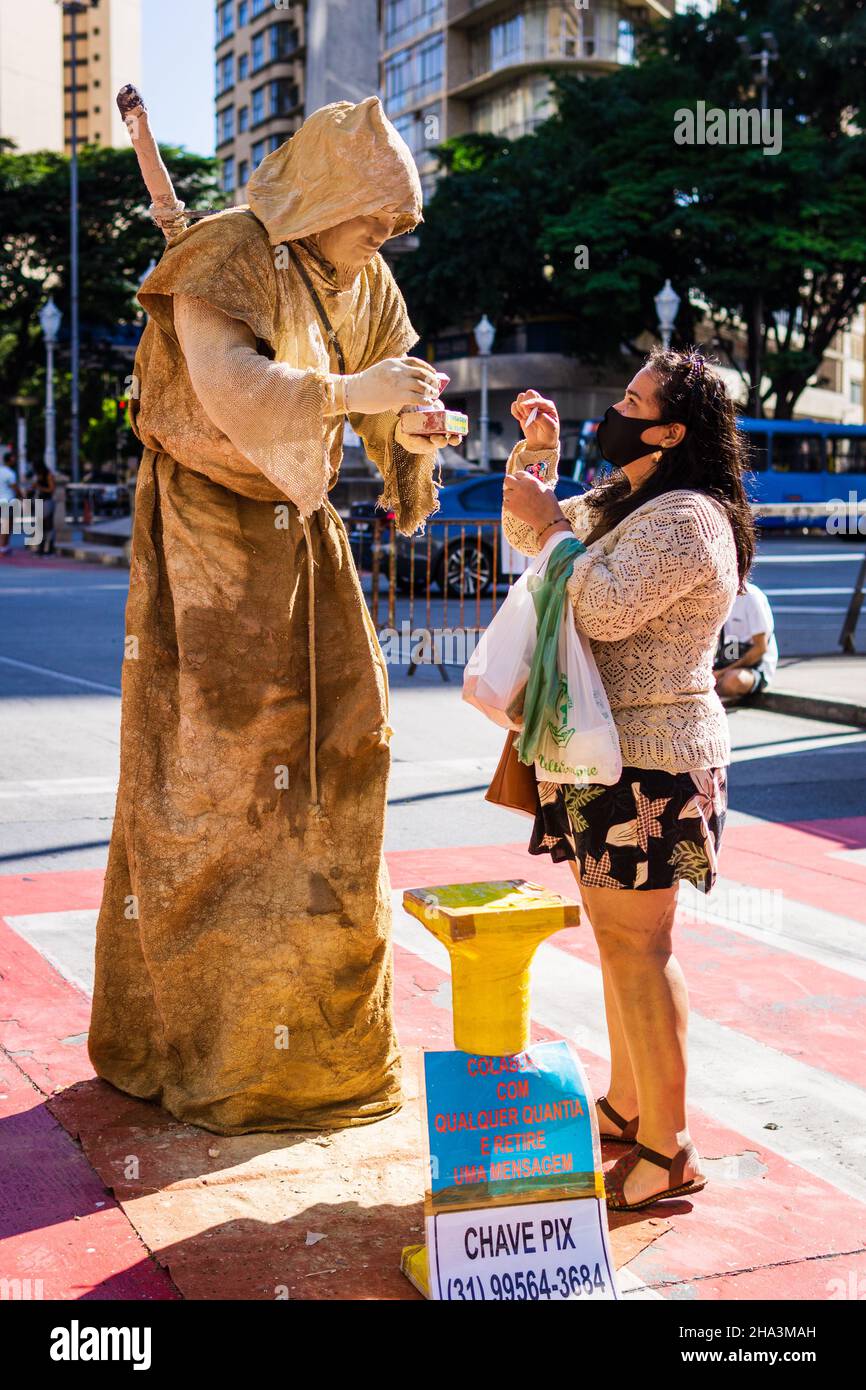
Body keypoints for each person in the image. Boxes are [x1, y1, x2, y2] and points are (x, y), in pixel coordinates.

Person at [88, 97, 461, 1136]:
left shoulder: (365, 279)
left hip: (303, 530)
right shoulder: (224, 251)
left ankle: (321, 1052)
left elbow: (389, 395)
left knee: (348, 746)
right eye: (373, 214)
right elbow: (229, 385)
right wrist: (352, 393)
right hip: (205, 528)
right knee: (218, 776)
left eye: (397, 219)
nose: (385, 234)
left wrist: (412, 428)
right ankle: (212, 1043)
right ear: (324, 198)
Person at [501, 347, 755, 1212]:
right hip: (603, 751)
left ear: (672, 432)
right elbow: (528, 532)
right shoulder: (625, 498)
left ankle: (670, 1148)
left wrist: (551, 530)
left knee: (641, 948)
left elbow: (602, 604)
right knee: (618, 944)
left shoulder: (689, 518)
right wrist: (541, 453)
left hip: (654, 759)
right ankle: (629, 1103)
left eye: (634, 402)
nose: (616, 411)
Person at [714, 580, 777, 701]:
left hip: (755, 666)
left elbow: (760, 648)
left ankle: (712, 696)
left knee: (732, 680)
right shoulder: (720, 596)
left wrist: (722, 672)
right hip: (729, 657)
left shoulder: (751, 596)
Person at [28, 464, 57, 556]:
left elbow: (51, 489)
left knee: (48, 525)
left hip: (47, 501)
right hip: (39, 501)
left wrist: (40, 487)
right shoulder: (38, 476)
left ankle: (49, 549)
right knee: (40, 526)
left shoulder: (48, 475)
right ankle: (41, 548)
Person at [0, 452, 20, 556]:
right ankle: (3, 547)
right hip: (8, 501)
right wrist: (22, 496)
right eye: (13, 459)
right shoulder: (10, 473)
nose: (15, 461)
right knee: (7, 526)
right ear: (10, 460)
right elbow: (15, 488)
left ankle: (5, 547)